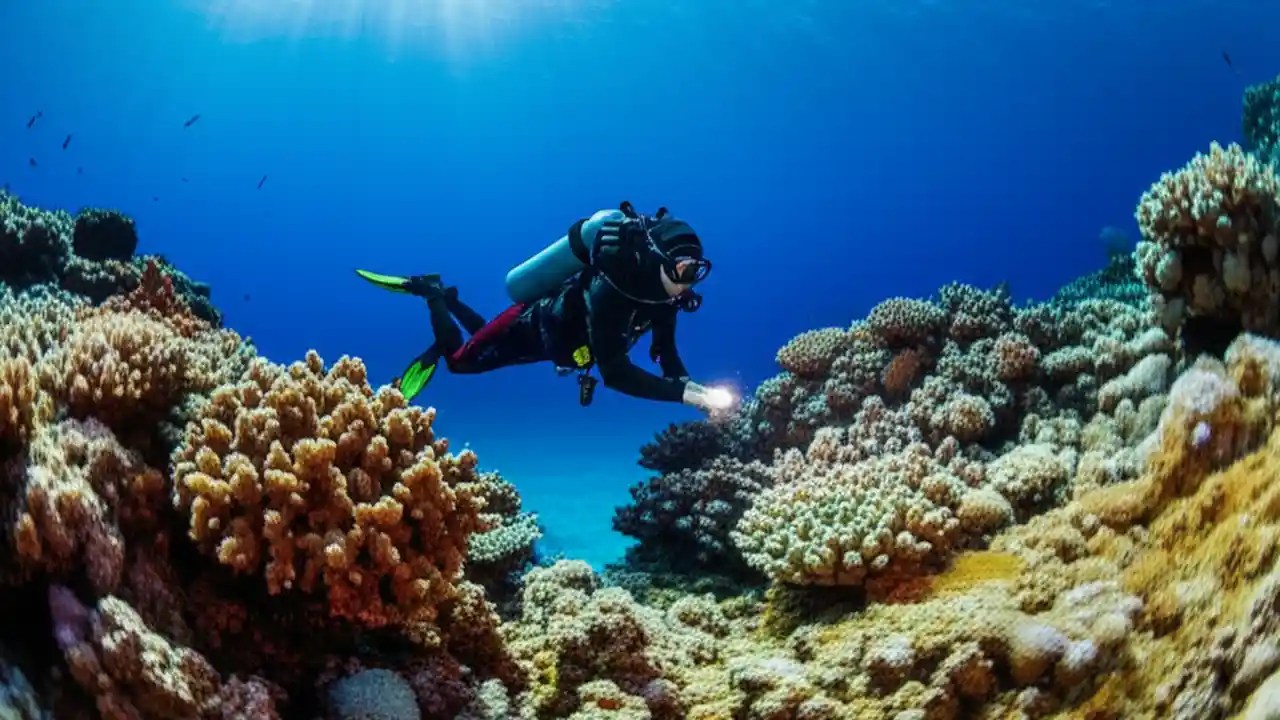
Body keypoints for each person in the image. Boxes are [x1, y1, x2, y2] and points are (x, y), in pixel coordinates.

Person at [356, 201, 738, 414]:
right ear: (656, 258)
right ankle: (432, 293)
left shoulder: (662, 296)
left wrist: (692, 387)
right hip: (529, 324)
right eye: (684, 268)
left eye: (697, 271)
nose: (688, 281)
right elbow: (617, 374)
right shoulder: (612, 291)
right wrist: (684, 396)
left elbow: (665, 353)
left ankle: (451, 299)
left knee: (482, 338)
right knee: (458, 361)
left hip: (550, 346)